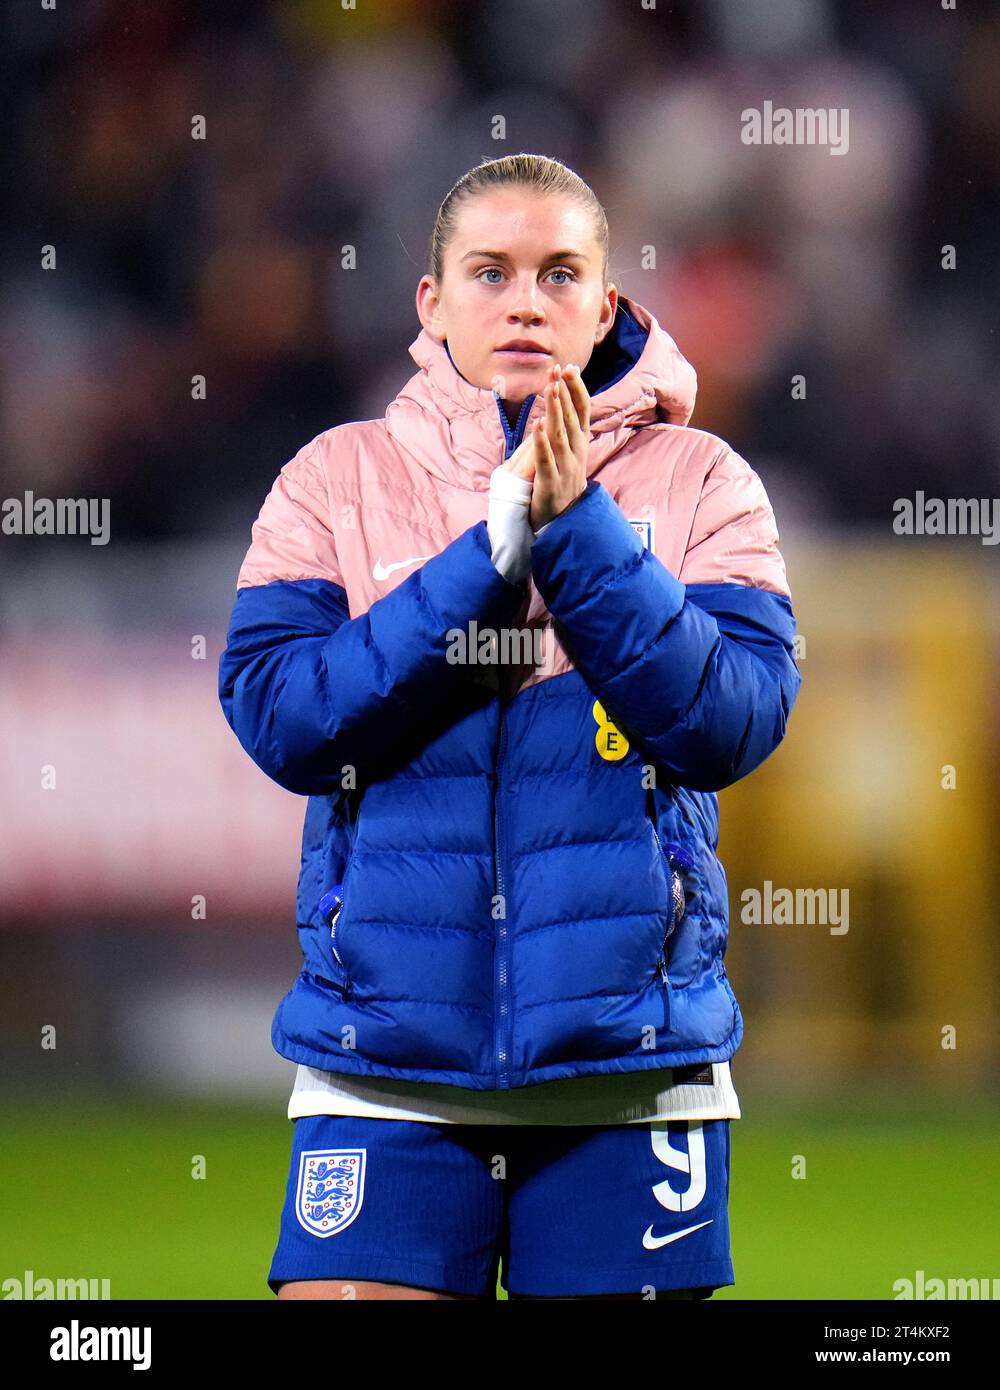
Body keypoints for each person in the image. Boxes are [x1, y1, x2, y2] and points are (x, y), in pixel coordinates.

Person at [218, 153, 801, 1300]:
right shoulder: (333, 479)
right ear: (430, 303)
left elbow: (730, 720)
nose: (526, 301)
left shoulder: (703, 482)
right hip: (383, 1065)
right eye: (489, 272)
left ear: (604, 304)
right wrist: (483, 563)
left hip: (631, 1072)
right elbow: (286, 720)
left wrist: (570, 525)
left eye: (558, 273)